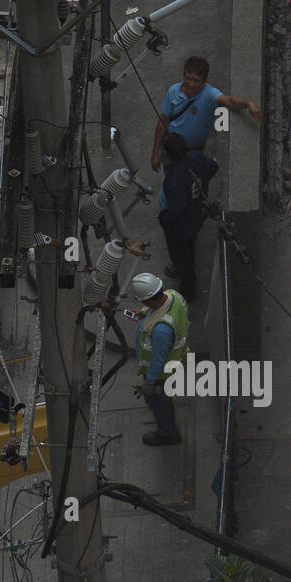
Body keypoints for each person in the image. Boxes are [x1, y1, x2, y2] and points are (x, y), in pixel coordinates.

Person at [151, 56, 262, 171]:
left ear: (204, 81)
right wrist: (155, 153)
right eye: (188, 78)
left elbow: (229, 101)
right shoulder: (173, 91)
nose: (191, 84)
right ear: (183, 75)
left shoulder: (210, 94)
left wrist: (248, 104)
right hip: (170, 151)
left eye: (196, 81)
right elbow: (162, 122)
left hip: (193, 152)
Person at [129, 271, 190, 446]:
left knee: (160, 400)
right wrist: (144, 313)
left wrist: (150, 383)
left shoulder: (161, 329)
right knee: (159, 398)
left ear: (147, 300)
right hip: (176, 359)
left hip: (160, 373)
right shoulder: (174, 295)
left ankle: (168, 433)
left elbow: (158, 360)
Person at [158, 131, 219, 301]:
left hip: (181, 224)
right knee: (190, 244)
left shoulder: (174, 180)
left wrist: (164, 219)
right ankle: (185, 269)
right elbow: (213, 167)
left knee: (179, 254)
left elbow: (176, 210)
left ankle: (188, 288)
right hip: (197, 214)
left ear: (168, 154)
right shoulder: (196, 158)